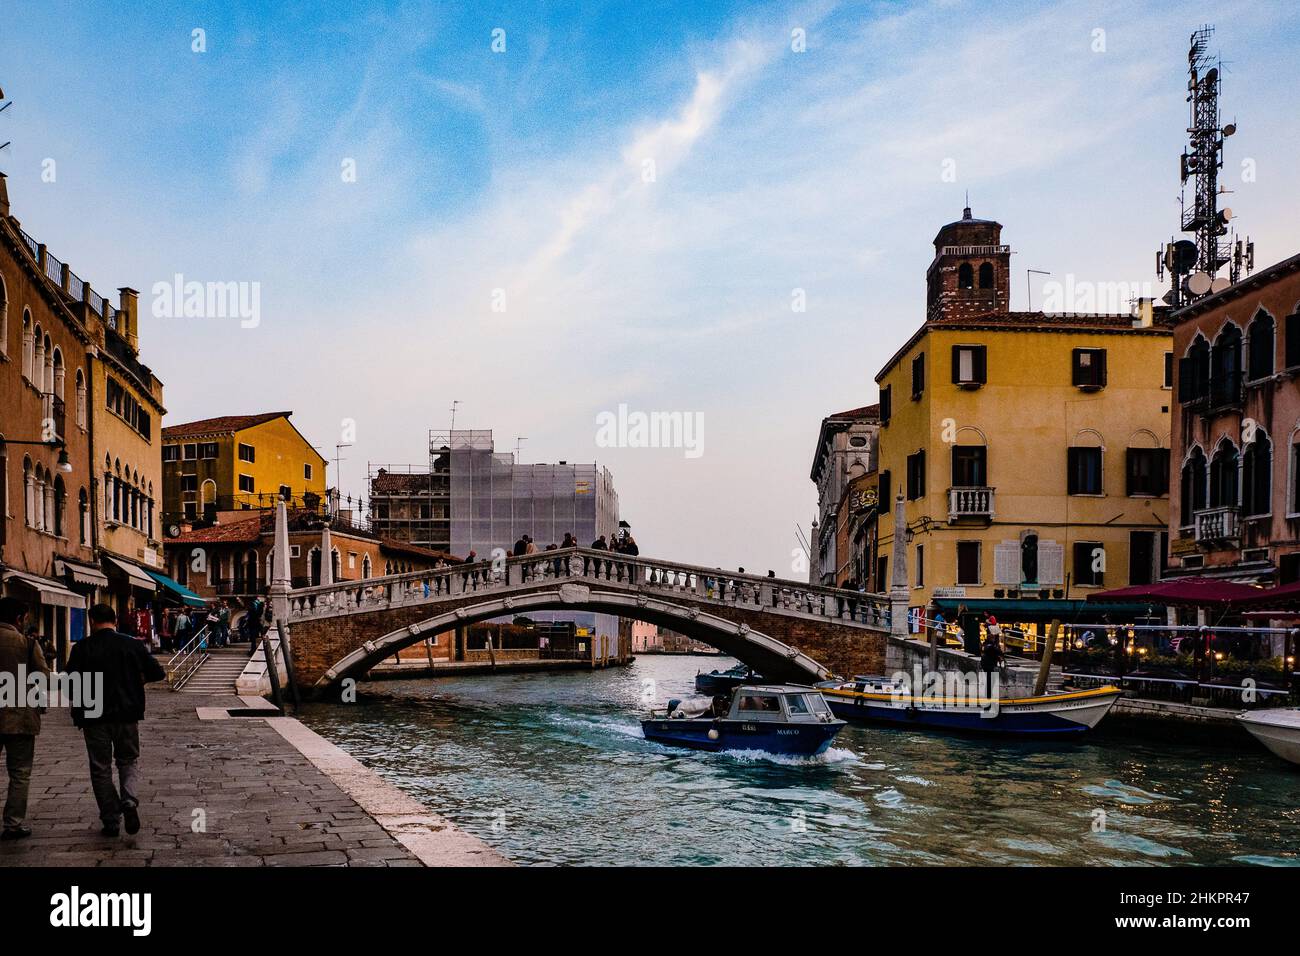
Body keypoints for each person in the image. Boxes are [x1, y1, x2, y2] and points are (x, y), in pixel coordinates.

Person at [65, 603, 166, 838]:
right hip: (126, 713)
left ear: (91, 621)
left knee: (100, 768)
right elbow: (157, 673)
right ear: (115, 621)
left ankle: (110, 820)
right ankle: (129, 800)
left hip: (93, 715)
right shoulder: (132, 645)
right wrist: (136, 681)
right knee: (128, 761)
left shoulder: (82, 648)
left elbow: (70, 685)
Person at [0, 597, 49, 841]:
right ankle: (13, 823)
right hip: (19, 717)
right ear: (19, 619)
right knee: (19, 772)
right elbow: (44, 679)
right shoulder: (27, 644)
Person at [980, 622, 1004, 700]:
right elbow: (997, 652)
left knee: (990, 680)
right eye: (993, 639)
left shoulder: (986, 644)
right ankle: (988, 696)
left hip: (986, 664)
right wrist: (999, 654)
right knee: (990, 680)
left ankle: (988, 694)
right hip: (988, 664)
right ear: (992, 639)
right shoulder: (990, 646)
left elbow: (993, 653)